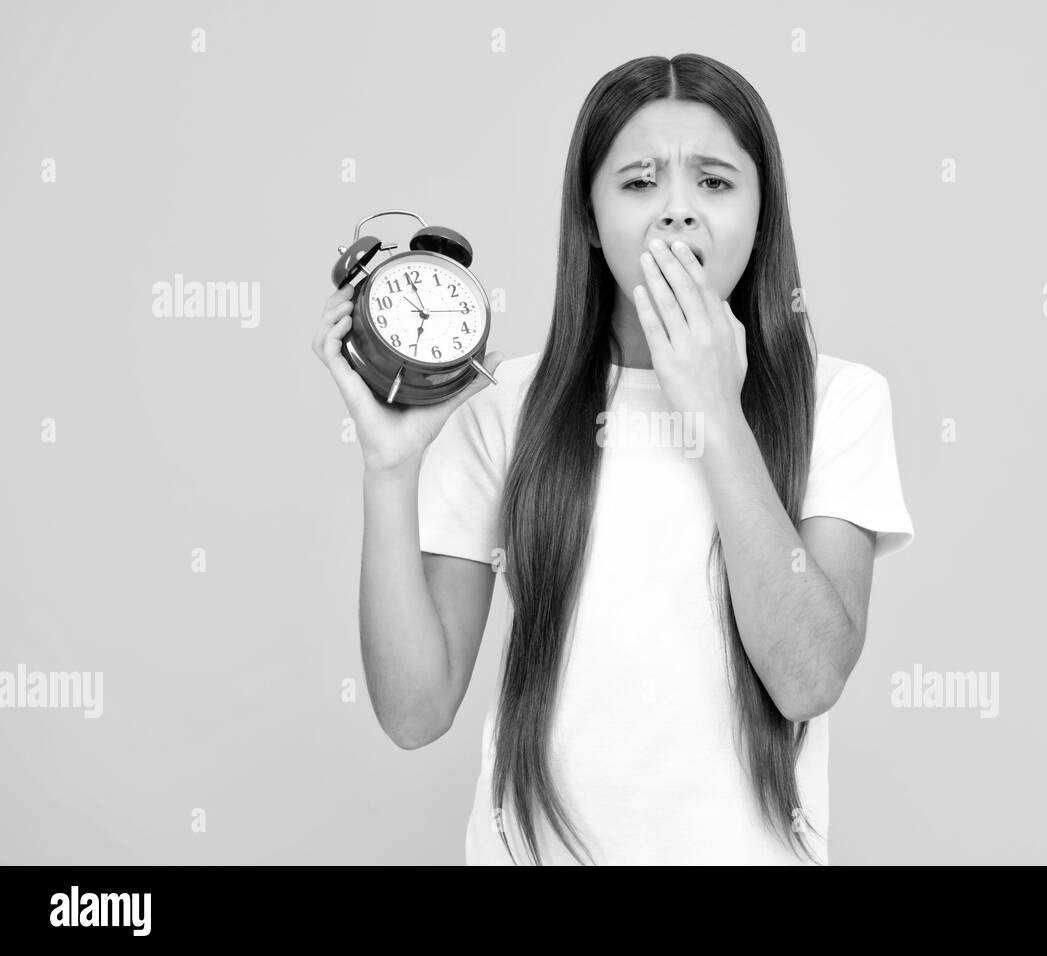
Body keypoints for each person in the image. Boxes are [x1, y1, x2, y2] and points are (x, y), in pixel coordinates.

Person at [312, 53, 915, 866]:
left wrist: (713, 409)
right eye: (638, 184)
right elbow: (413, 713)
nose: (677, 214)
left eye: (714, 182)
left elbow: (808, 679)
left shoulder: (841, 400)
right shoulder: (503, 405)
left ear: (763, 213)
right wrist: (388, 471)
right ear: (590, 220)